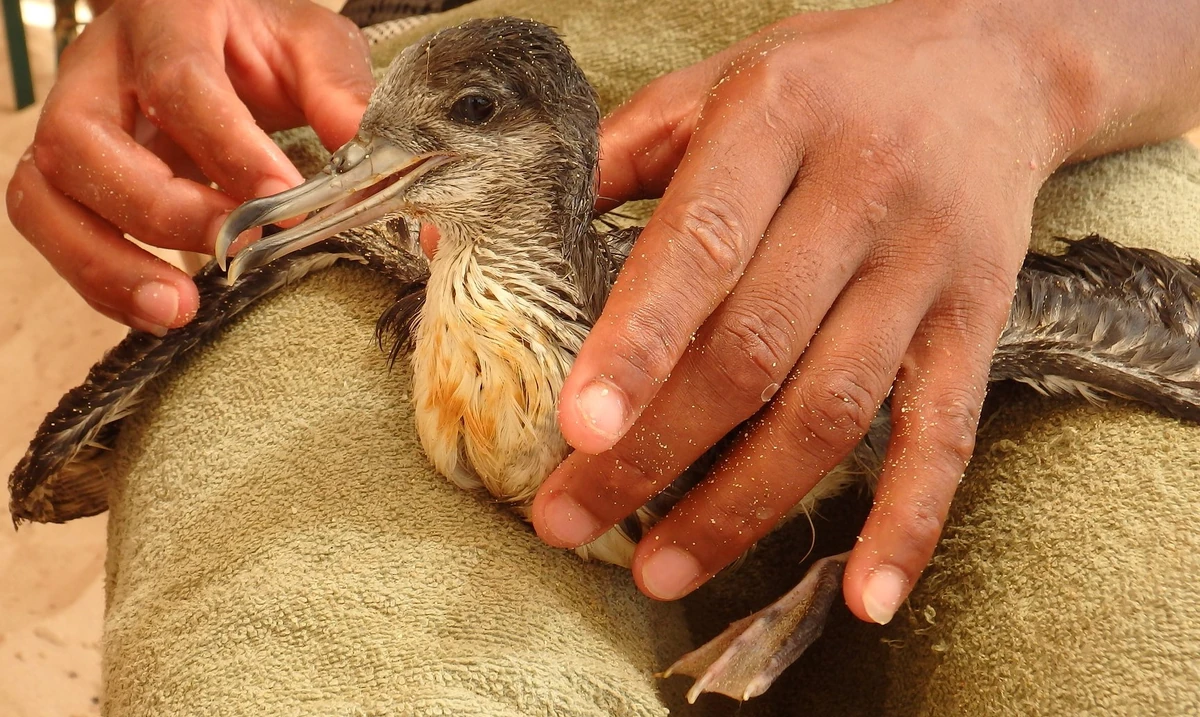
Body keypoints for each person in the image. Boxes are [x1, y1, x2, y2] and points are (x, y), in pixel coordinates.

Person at [8, 0, 1200, 631]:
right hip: (432, 44)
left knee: (1127, 609)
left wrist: (1025, 56)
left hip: (1031, 101)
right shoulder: (392, 203)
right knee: (283, 632)